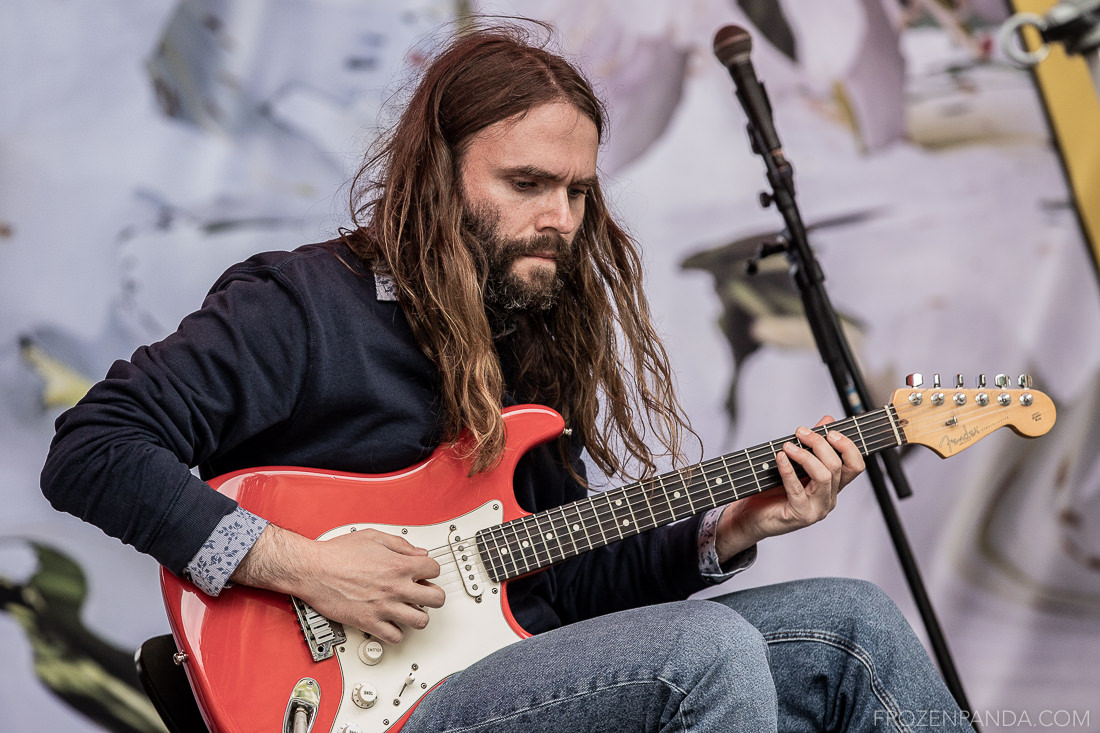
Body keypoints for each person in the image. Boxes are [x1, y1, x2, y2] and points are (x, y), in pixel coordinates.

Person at [42, 19, 975, 732]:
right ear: (437, 174)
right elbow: (92, 447)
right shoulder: (300, 306)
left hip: (515, 669)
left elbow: (562, 586)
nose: (561, 216)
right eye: (527, 183)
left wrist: (729, 529)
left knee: (851, 623)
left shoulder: (528, 337)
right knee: (706, 650)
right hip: (366, 706)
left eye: (576, 191)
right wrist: (311, 567)